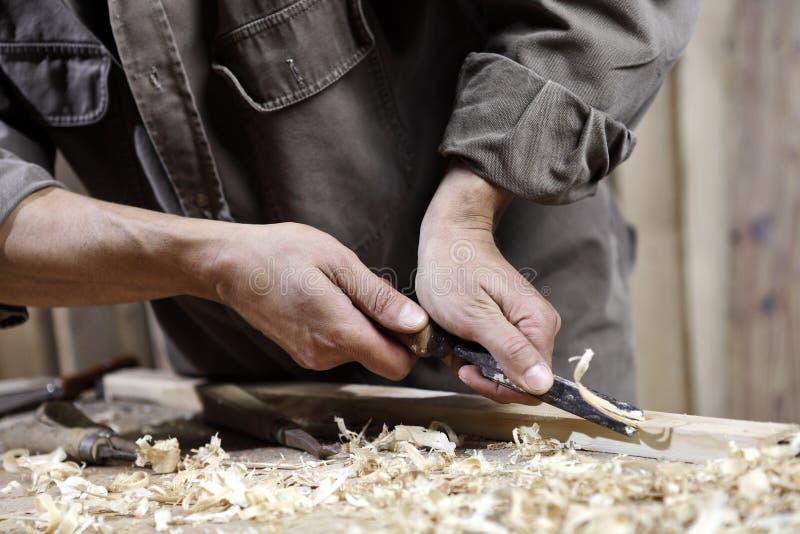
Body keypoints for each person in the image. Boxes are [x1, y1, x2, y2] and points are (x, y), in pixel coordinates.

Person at [0, 0, 700, 403]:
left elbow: (604, 12)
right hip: (251, 405)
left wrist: (467, 215)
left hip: (510, 323)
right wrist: (211, 262)